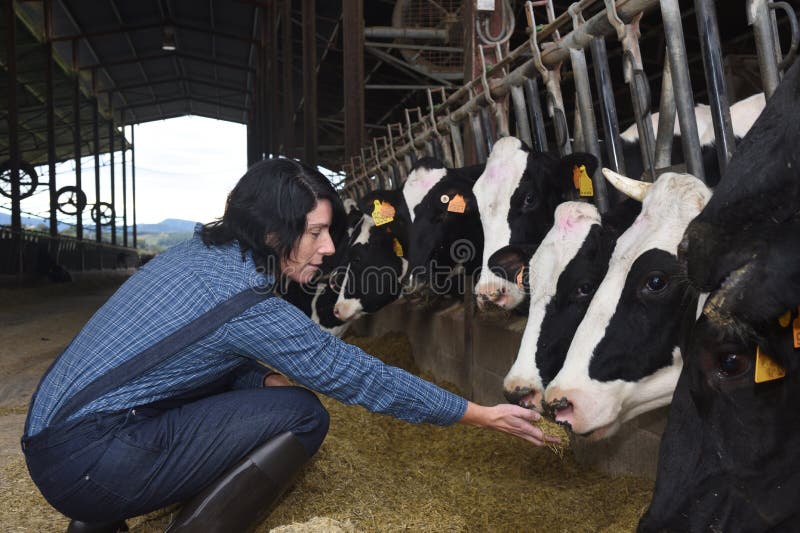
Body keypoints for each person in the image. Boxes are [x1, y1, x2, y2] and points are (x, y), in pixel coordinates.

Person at [22, 158, 558, 533]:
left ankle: (96, 521)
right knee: (301, 414)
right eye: (316, 232)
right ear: (274, 231)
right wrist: (472, 413)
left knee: (268, 391)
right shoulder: (246, 301)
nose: (328, 249)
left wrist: (258, 379)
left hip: (52, 439)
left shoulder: (196, 256)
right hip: (88, 459)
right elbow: (355, 374)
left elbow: (185, 360)